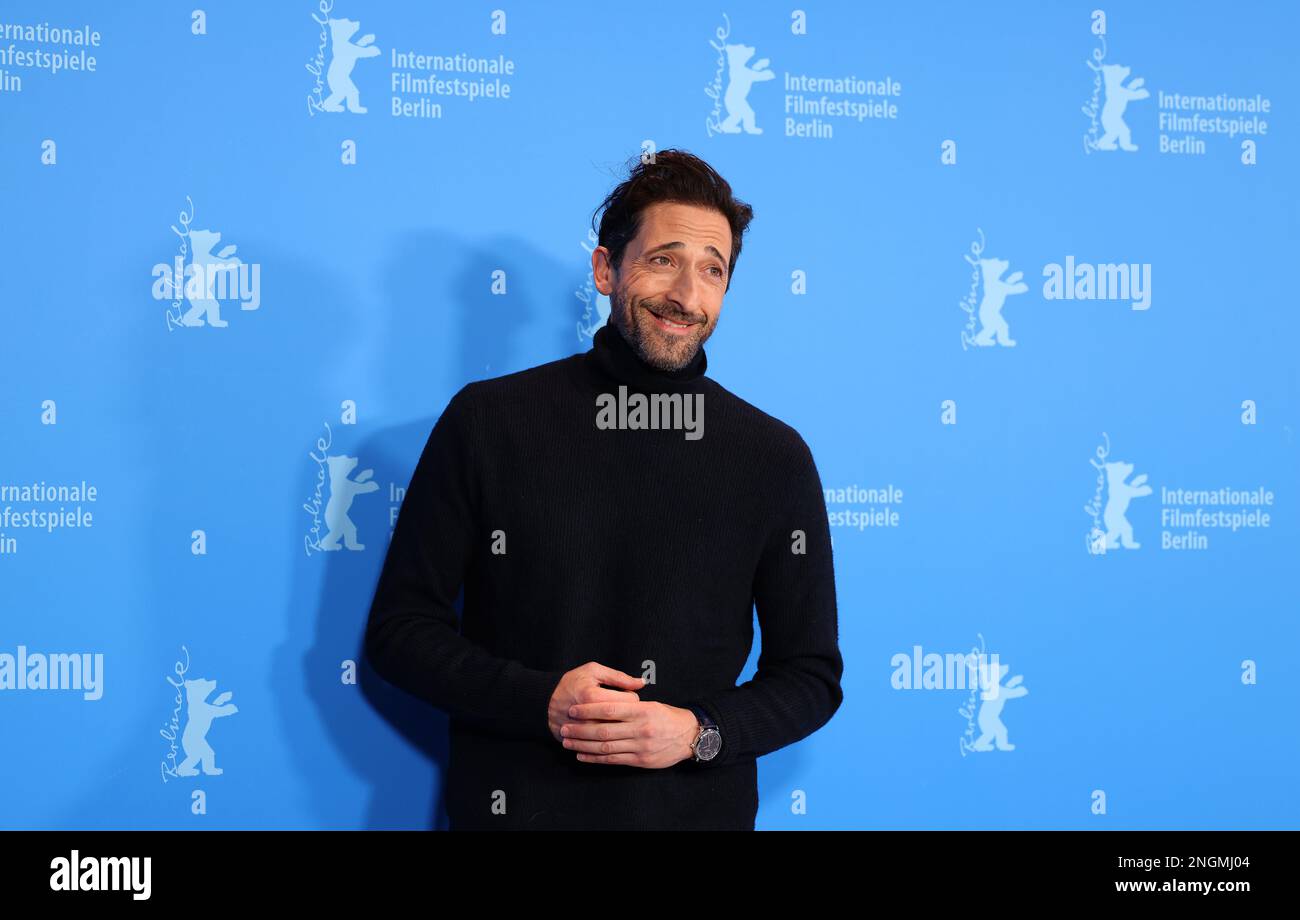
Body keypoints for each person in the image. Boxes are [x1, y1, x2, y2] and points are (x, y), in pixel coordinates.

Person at [365, 148, 843, 830]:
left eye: (713, 270)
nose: (687, 294)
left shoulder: (773, 456)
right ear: (604, 269)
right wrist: (541, 701)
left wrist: (698, 731)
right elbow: (400, 632)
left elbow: (811, 675)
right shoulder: (490, 422)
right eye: (663, 260)